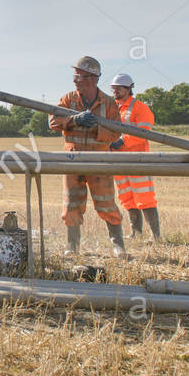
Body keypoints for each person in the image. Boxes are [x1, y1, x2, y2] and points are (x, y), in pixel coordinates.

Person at [48, 56, 129, 259]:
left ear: (92, 78)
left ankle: (118, 246)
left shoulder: (108, 103)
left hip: (99, 161)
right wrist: (73, 120)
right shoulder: (68, 99)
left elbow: (116, 133)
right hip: (73, 159)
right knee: (71, 204)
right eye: (74, 75)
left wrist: (96, 128)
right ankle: (72, 246)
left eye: (79, 75)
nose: (74, 79)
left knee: (106, 203)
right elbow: (53, 122)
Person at [110, 73, 161, 242]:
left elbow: (143, 132)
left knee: (144, 198)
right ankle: (136, 234)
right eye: (113, 88)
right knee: (127, 198)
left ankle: (156, 237)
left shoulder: (140, 108)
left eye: (119, 88)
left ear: (129, 88)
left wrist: (122, 141)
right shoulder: (112, 108)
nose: (115, 91)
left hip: (137, 159)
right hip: (118, 160)